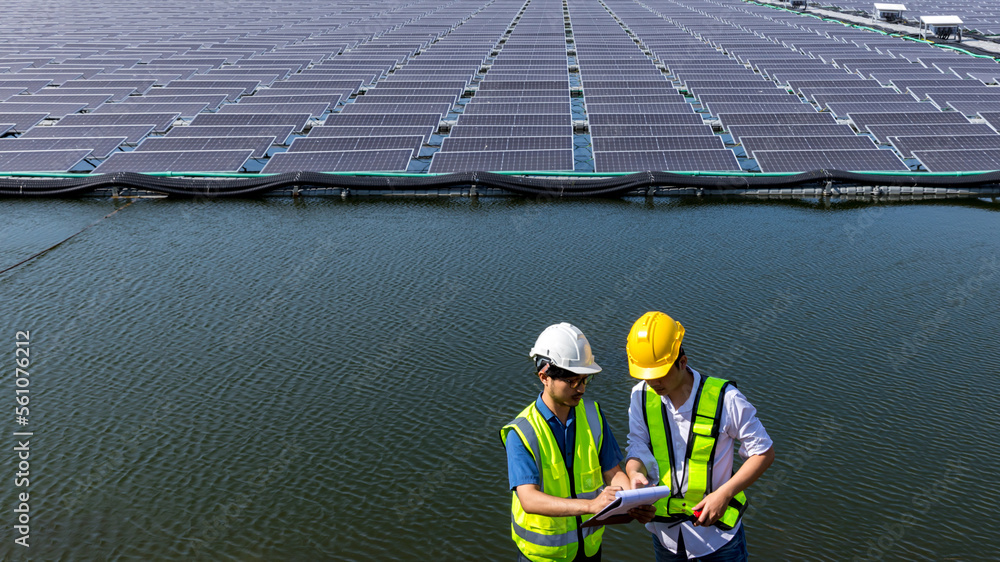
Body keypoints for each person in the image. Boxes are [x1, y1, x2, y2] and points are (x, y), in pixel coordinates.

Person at [623, 311, 775, 561]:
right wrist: (634, 474)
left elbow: (763, 453)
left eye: (660, 373)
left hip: (718, 542)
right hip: (666, 538)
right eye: (647, 376)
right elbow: (637, 445)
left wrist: (724, 494)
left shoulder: (725, 399)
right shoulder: (640, 396)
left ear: (682, 362)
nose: (653, 383)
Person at [501, 322, 653, 562]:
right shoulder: (522, 432)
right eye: (572, 381)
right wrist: (591, 505)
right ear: (544, 377)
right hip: (543, 556)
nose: (581, 389)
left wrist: (632, 500)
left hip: (589, 550)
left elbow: (612, 472)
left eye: (584, 380)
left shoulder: (593, 415)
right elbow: (529, 499)